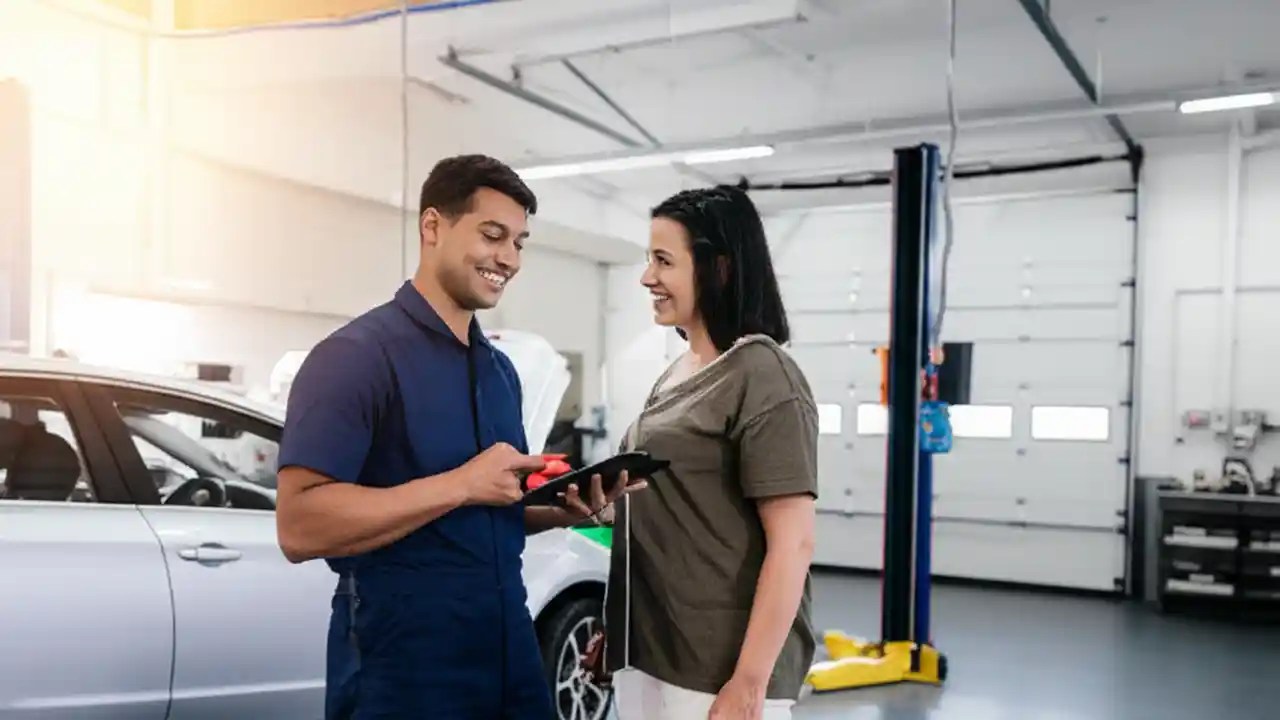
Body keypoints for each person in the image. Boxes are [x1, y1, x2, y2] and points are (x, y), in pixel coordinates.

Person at [275, 154, 637, 720]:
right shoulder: (354, 358)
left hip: (507, 640)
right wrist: (462, 484)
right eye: (493, 235)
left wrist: (563, 510)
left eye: (520, 242)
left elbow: (489, 511)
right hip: (401, 655)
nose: (509, 259)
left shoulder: (500, 374)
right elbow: (299, 526)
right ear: (433, 226)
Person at [602, 186, 819, 720]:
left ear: (718, 267)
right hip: (653, 654)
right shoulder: (679, 373)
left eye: (663, 261)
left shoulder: (764, 374)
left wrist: (748, 683)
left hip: (715, 669)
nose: (647, 277)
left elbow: (793, 543)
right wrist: (621, 632)